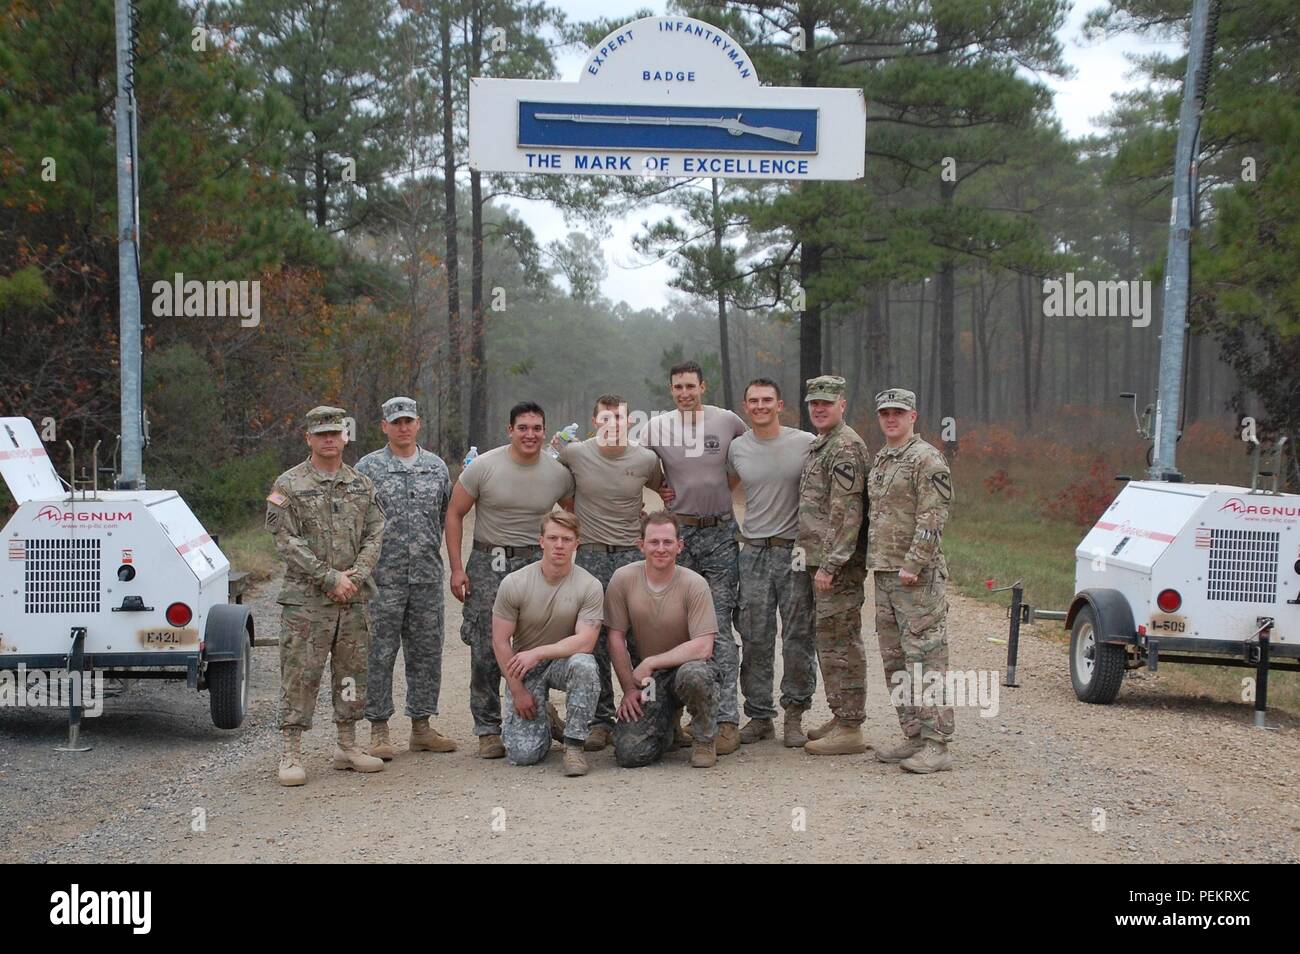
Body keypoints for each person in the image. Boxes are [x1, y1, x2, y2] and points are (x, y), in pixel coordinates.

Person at [444, 401, 575, 758]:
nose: (530, 434)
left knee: (538, 645)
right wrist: (457, 568)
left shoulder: (557, 472)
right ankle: (487, 727)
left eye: (536, 428)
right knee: (487, 646)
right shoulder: (484, 467)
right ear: (510, 430)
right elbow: (455, 514)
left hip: (538, 564)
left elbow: (576, 511)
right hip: (491, 563)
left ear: (545, 431)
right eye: (523, 428)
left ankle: (541, 710)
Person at [265, 405, 386, 786]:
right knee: (300, 675)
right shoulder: (289, 485)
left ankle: (347, 745)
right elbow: (286, 541)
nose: (329, 440)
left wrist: (358, 574)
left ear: (346, 437)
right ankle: (290, 753)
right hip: (307, 601)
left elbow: (375, 532)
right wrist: (329, 578)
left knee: (351, 673)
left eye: (336, 433)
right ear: (308, 439)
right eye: (322, 435)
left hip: (353, 598)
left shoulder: (361, 484)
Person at [636, 360, 746, 755]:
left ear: (704, 386)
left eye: (691, 386)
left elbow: (744, 460)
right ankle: (675, 719)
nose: (685, 393)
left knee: (717, 627)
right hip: (678, 536)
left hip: (718, 533)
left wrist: (719, 487)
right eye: (678, 387)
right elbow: (633, 467)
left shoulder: (727, 421)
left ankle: (726, 721)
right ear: (671, 390)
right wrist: (659, 490)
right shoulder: (656, 427)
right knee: (674, 627)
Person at [559, 395, 664, 752]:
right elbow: (558, 485)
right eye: (605, 418)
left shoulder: (645, 459)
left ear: (629, 421)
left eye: (619, 418)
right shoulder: (576, 454)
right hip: (591, 557)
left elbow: (665, 489)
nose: (612, 424)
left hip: (632, 560)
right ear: (594, 422)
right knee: (597, 639)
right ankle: (600, 719)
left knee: (642, 635)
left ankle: (650, 712)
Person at [355, 396, 456, 760]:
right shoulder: (367, 468)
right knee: (380, 652)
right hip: (382, 579)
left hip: (426, 576)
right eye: (395, 422)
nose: (402, 427)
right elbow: (357, 522)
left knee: (427, 652)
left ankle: (421, 726)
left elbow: (445, 515)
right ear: (384, 426)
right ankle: (379, 728)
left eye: (408, 421)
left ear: (418, 423)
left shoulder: (436, 467)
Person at [867, 387, 955, 773]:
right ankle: (914, 733)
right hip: (886, 575)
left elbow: (933, 517)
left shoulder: (927, 459)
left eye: (898, 412)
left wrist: (915, 563)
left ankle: (937, 744)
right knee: (895, 661)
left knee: (926, 660)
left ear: (913, 416)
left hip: (917, 580)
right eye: (885, 412)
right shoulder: (883, 458)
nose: (891, 418)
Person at [727, 378, 817, 747]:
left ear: (780, 405)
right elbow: (728, 486)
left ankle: (794, 713)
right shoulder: (737, 448)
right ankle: (760, 715)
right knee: (754, 635)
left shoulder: (805, 444)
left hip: (794, 550)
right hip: (754, 551)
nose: (760, 406)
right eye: (753, 401)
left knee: (797, 635)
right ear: (746, 406)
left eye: (767, 400)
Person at [491, 511, 604, 776]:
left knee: (585, 665)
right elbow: (499, 640)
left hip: (562, 661)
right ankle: (549, 720)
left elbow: (586, 641)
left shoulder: (589, 585)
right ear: (541, 541)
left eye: (567, 539)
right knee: (524, 755)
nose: (559, 545)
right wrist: (517, 690)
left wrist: (539, 652)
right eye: (553, 538)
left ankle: (574, 745)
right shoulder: (514, 583)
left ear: (577, 543)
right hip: (525, 667)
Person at [607, 511, 720, 769]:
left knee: (695, 675)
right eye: (654, 542)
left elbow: (704, 646)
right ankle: (667, 727)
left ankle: (704, 738)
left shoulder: (695, 584)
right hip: (650, 681)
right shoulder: (623, 579)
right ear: (641, 545)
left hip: (688, 669)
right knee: (629, 754)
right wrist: (629, 689)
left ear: (679, 546)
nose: (661, 549)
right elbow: (615, 638)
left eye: (668, 542)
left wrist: (651, 661)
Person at [796, 375, 871, 756]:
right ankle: (841, 714)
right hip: (818, 562)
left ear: (842, 404)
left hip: (835, 567)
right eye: (814, 403)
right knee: (828, 640)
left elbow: (847, 514)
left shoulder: (845, 448)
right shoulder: (821, 445)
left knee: (841, 642)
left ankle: (850, 726)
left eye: (827, 402)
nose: (819, 408)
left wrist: (831, 564)